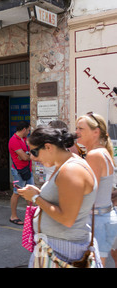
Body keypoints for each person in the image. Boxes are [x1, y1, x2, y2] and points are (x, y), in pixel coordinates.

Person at [17, 126, 102, 268]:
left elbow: (67, 219)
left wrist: (36, 198)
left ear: (48, 147)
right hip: (59, 247)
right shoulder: (66, 165)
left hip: (64, 251)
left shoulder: (71, 170)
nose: (32, 157)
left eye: (34, 152)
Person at [76, 112, 117, 267]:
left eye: (81, 128)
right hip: (105, 216)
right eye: (77, 128)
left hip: (97, 221)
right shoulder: (103, 152)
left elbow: (88, 192)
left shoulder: (94, 154)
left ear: (96, 132)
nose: (76, 132)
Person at [8, 121, 33, 225]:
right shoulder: (14, 141)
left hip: (27, 170)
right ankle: (13, 216)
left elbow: (30, 153)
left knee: (31, 193)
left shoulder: (24, 139)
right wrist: (27, 156)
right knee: (16, 193)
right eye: (28, 130)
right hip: (18, 172)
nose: (28, 132)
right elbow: (25, 157)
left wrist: (27, 155)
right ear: (24, 129)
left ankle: (31, 216)